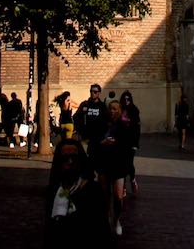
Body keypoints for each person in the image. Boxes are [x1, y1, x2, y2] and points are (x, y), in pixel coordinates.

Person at [44, 139, 111, 248]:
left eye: (74, 158)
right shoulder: (54, 190)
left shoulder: (92, 190)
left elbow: (102, 229)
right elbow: (49, 228)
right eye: (65, 158)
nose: (70, 162)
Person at [96, 99, 133, 236]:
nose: (112, 111)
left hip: (118, 164)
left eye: (115, 109)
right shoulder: (103, 124)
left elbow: (127, 146)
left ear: (120, 110)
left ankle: (117, 220)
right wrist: (103, 142)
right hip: (104, 162)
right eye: (110, 109)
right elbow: (96, 142)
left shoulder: (124, 125)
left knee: (118, 197)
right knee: (104, 195)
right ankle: (107, 218)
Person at [74, 84, 107, 171]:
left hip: (98, 140)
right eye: (91, 91)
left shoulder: (102, 106)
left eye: (95, 92)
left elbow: (106, 121)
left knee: (99, 164)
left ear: (99, 93)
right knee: (86, 163)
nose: (93, 93)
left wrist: (103, 134)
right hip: (86, 139)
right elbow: (76, 117)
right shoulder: (85, 104)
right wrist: (80, 131)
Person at [118, 90, 140, 193]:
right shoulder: (120, 109)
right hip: (121, 140)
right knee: (122, 163)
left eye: (128, 99)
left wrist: (136, 143)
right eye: (124, 99)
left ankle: (132, 179)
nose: (126, 101)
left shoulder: (134, 110)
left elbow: (137, 128)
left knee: (129, 163)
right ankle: (123, 186)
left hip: (131, 141)